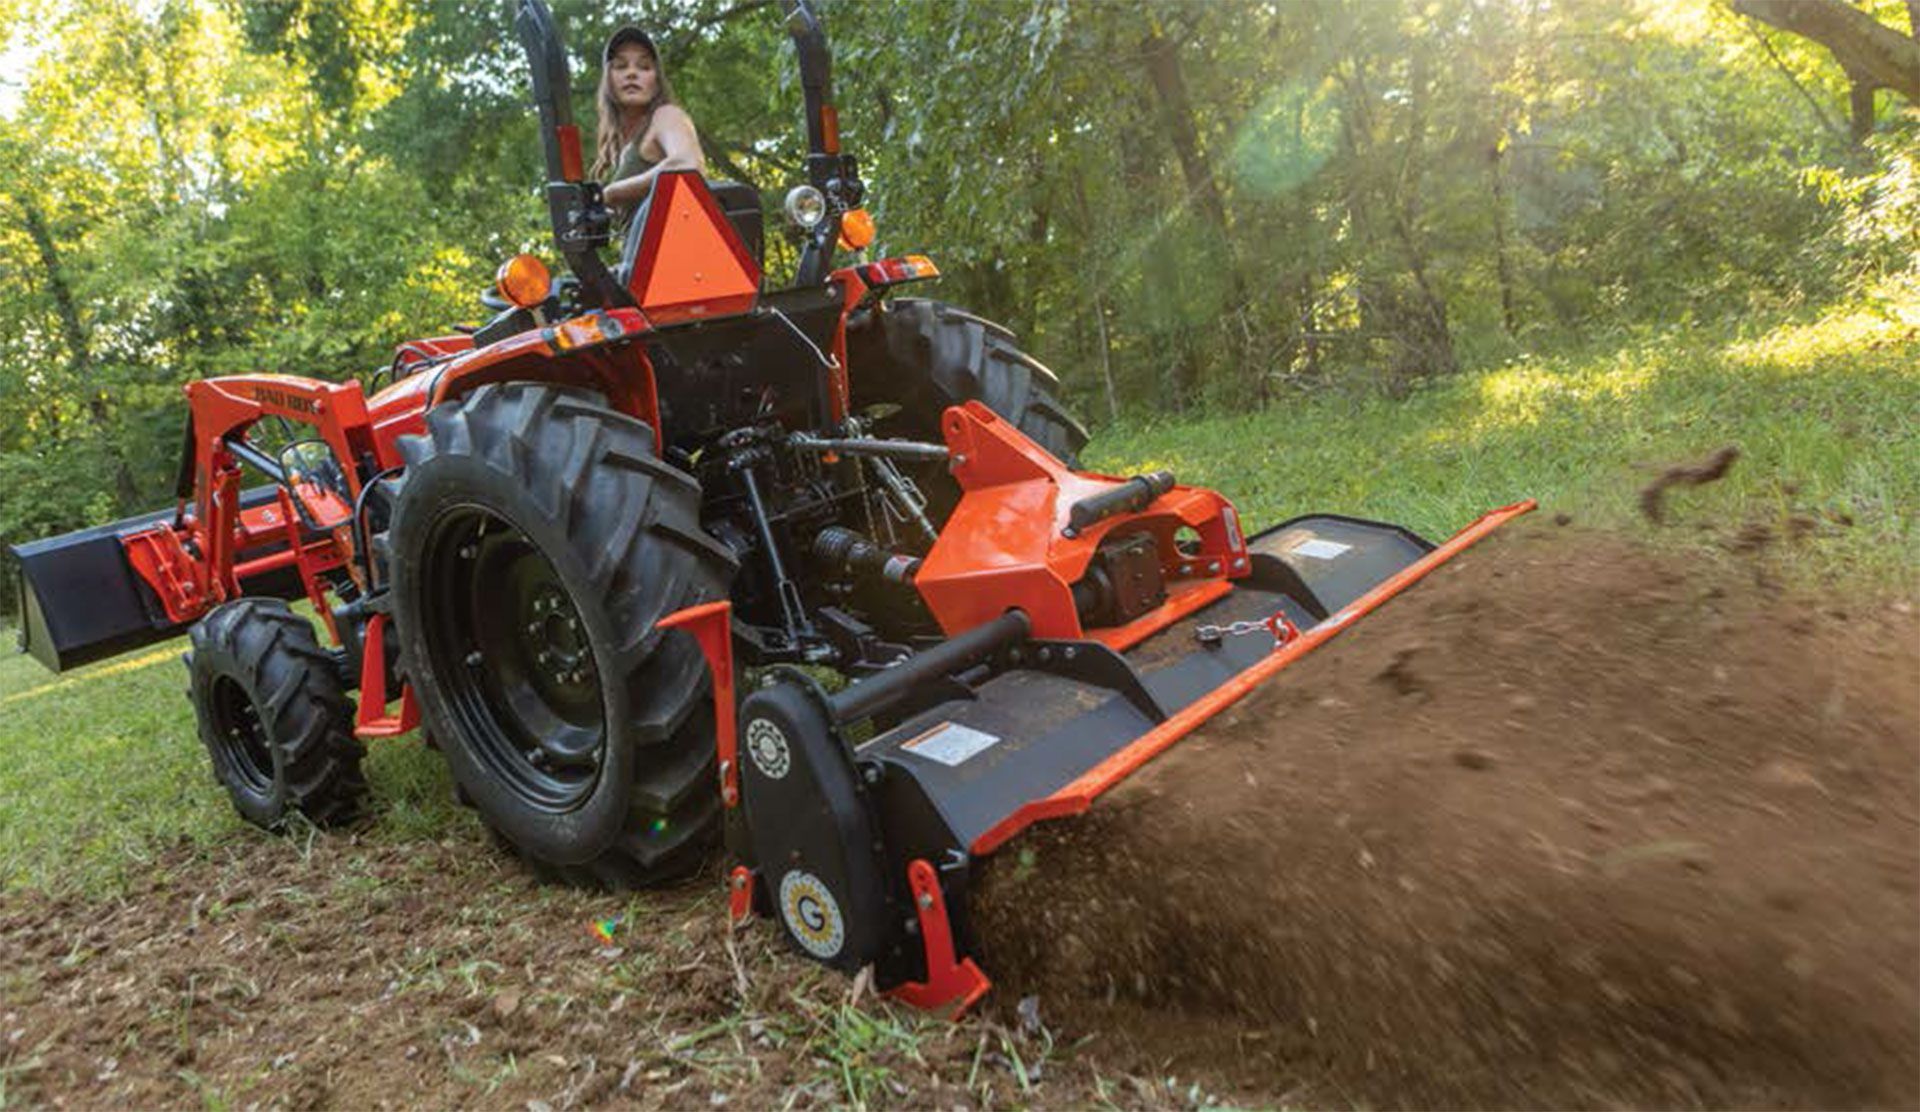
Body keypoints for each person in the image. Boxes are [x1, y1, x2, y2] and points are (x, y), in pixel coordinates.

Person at [591, 26, 706, 228]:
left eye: (644, 67)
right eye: (621, 66)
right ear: (608, 79)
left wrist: (611, 193)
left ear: (657, 81)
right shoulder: (621, 148)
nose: (632, 73)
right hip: (638, 257)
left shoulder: (666, 116)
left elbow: (688, 164)